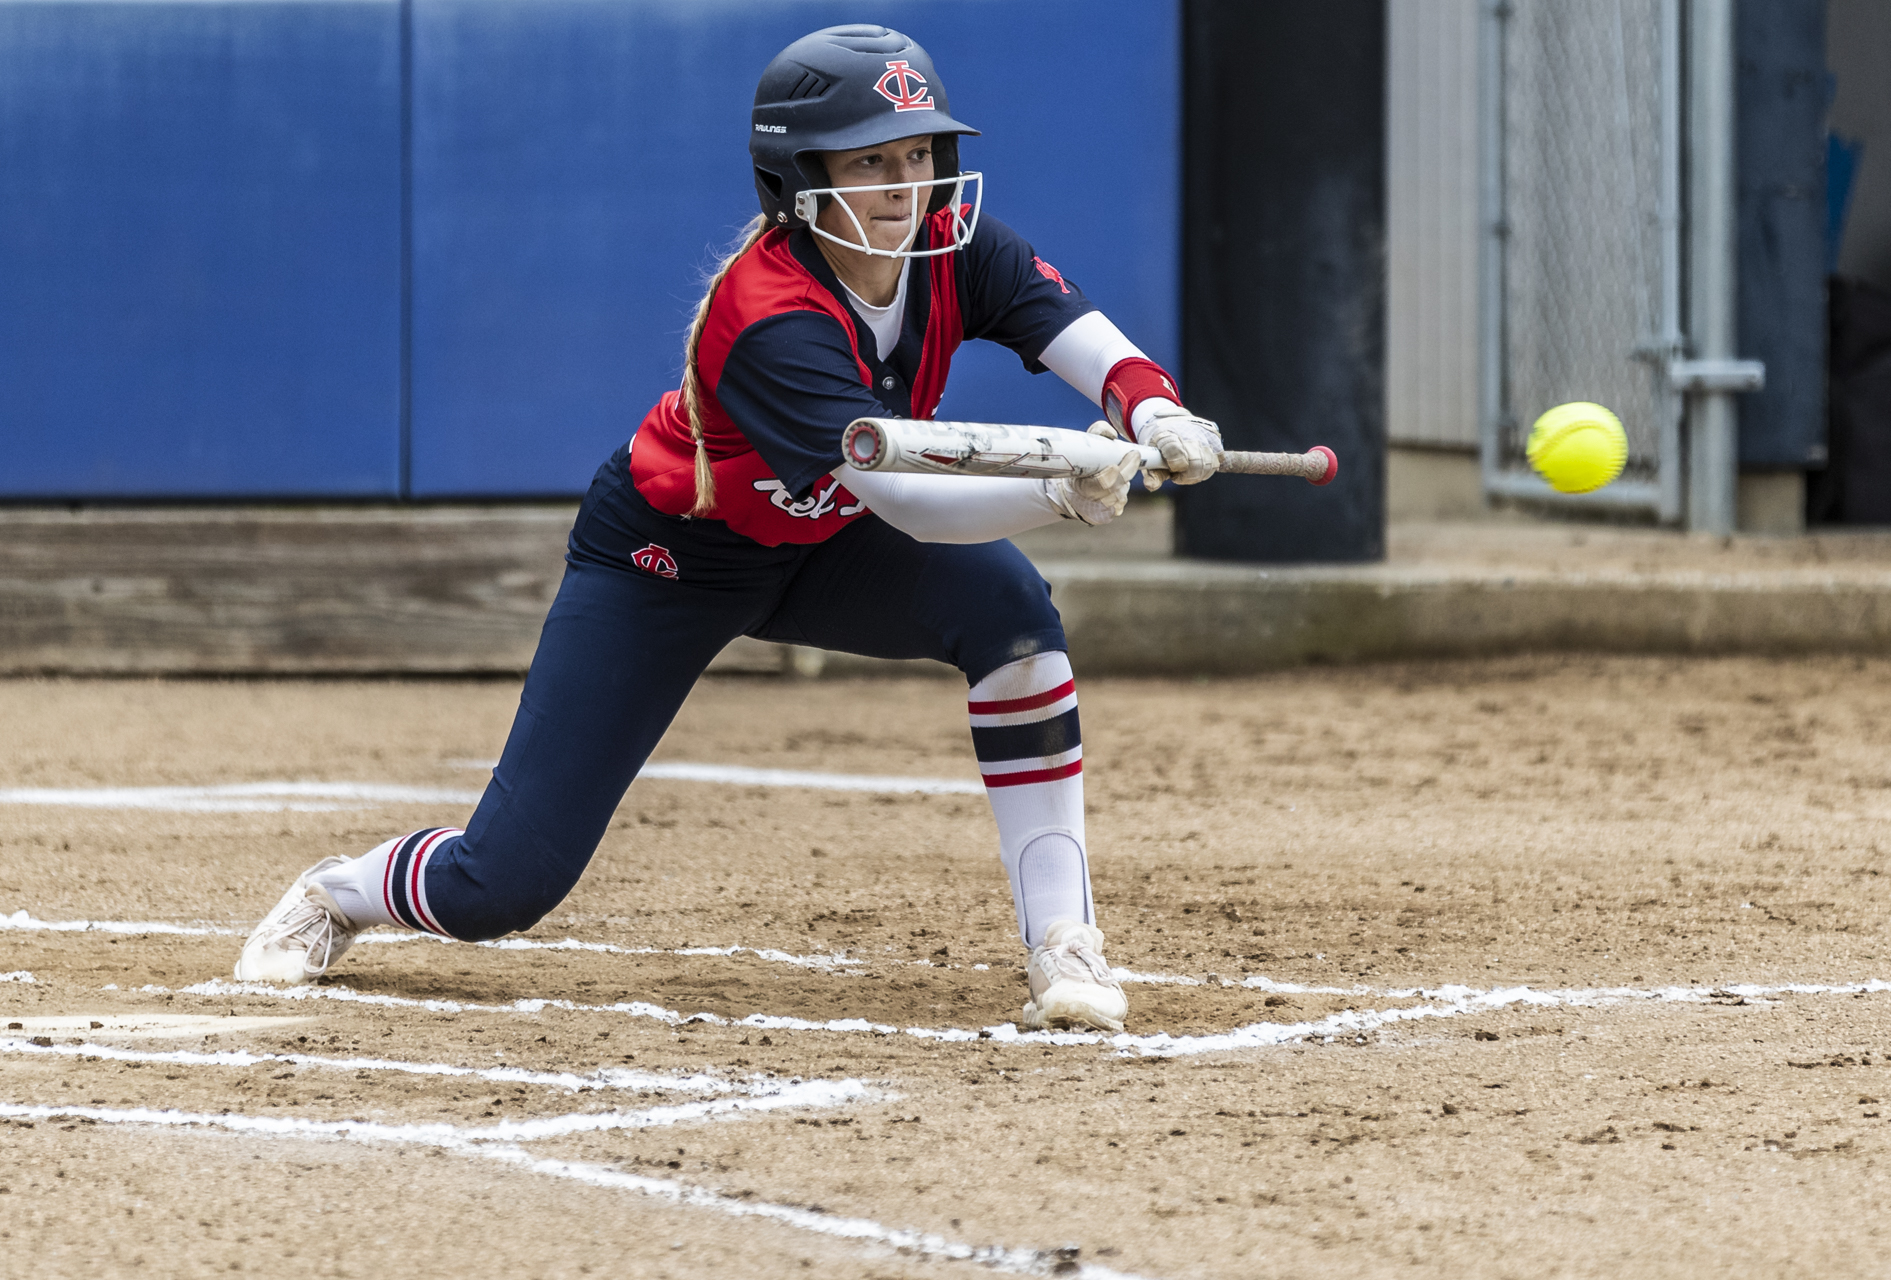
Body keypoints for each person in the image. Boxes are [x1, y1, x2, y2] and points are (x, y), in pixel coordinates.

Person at [233, 25, 1221, 1033]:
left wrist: (1156, 414)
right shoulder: (769, 314)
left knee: (1013, 615)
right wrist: (1061, 488)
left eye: (918, 153)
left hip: (826, 539)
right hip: (673, 557)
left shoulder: (959, 248)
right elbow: (910, 499)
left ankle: (1065, 940)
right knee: (504, 884)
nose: (904, 183)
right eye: (870, 159)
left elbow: (1087, 341)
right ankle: (337, 892)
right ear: (798, 179)